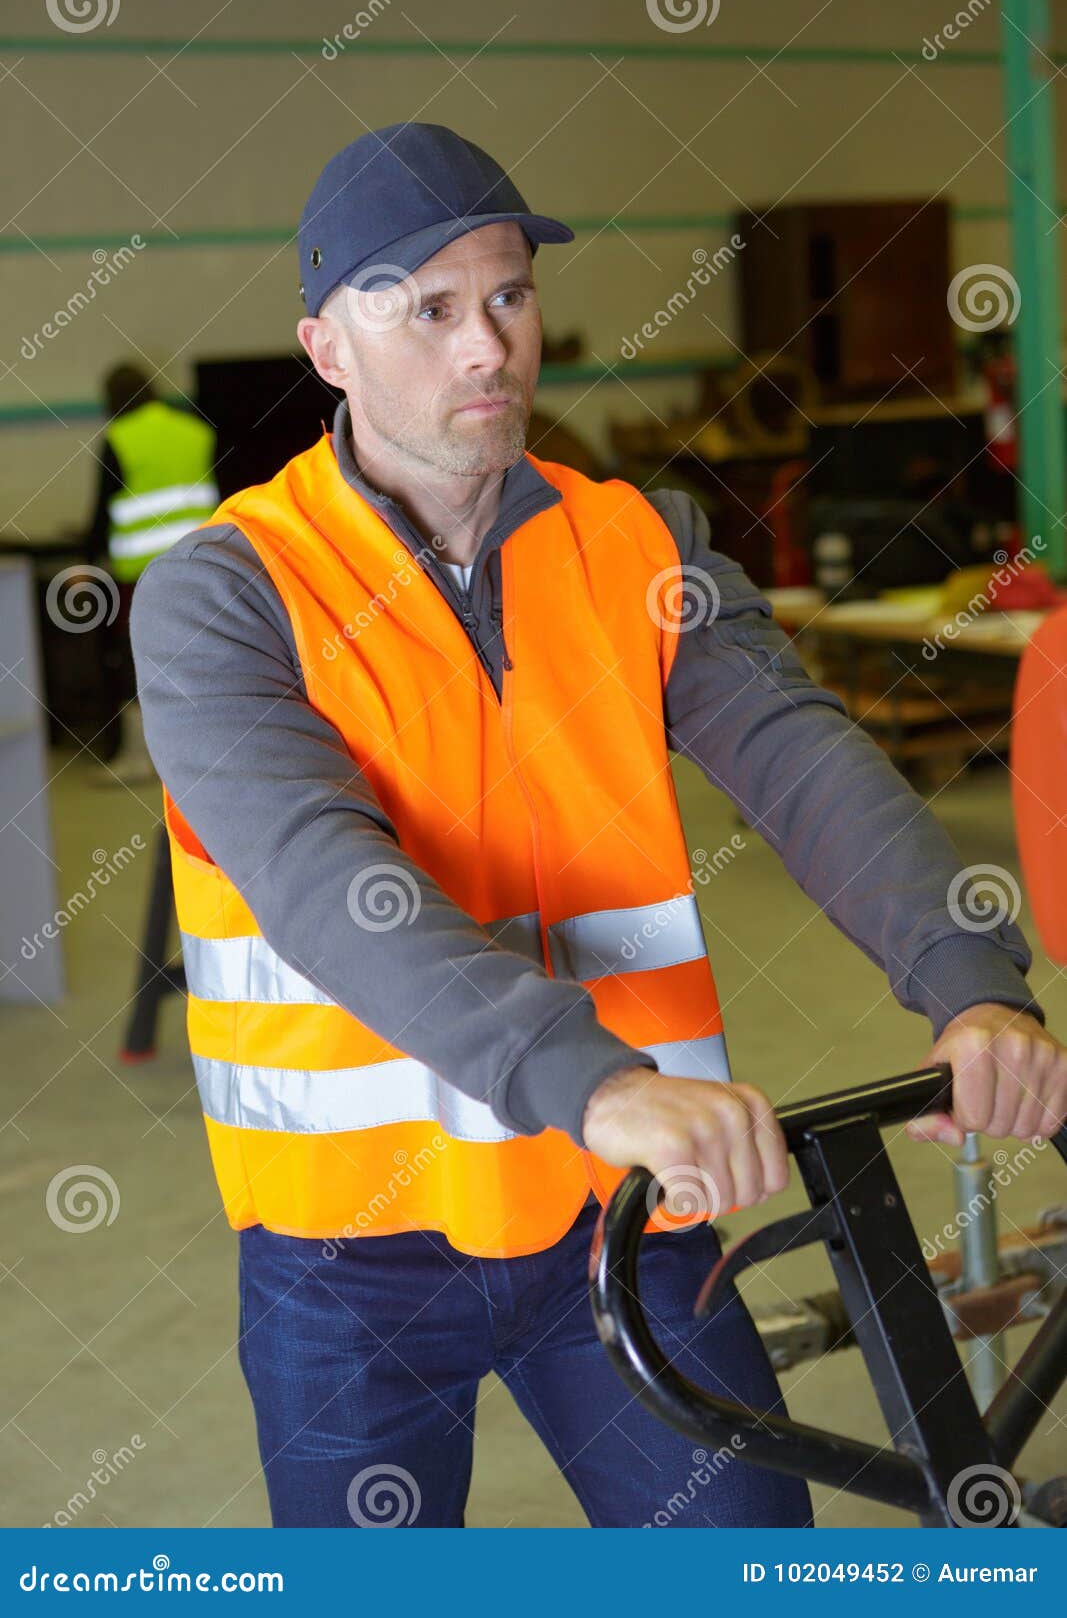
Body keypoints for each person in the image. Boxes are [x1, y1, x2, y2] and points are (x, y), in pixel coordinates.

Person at [130, 123, 1067, 1529]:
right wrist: (596, 1079)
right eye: (428, 308)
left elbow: (807, 764)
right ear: (327, 347)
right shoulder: (226, 594)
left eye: (505, 294)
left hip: (622, 1219)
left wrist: (967, 986)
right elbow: (326, 881)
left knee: (744, 1554)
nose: (484, 348)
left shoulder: (639, 546)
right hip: (350, 1255)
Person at [87, 363, 218, 782]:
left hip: (141, 574)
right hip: (201, 563)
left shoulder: (119, 438)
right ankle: (209, 749)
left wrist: (87, 559)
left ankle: (139, 759)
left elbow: (102, 510)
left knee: (135, 661)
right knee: (204, 655)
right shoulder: (196, 431)